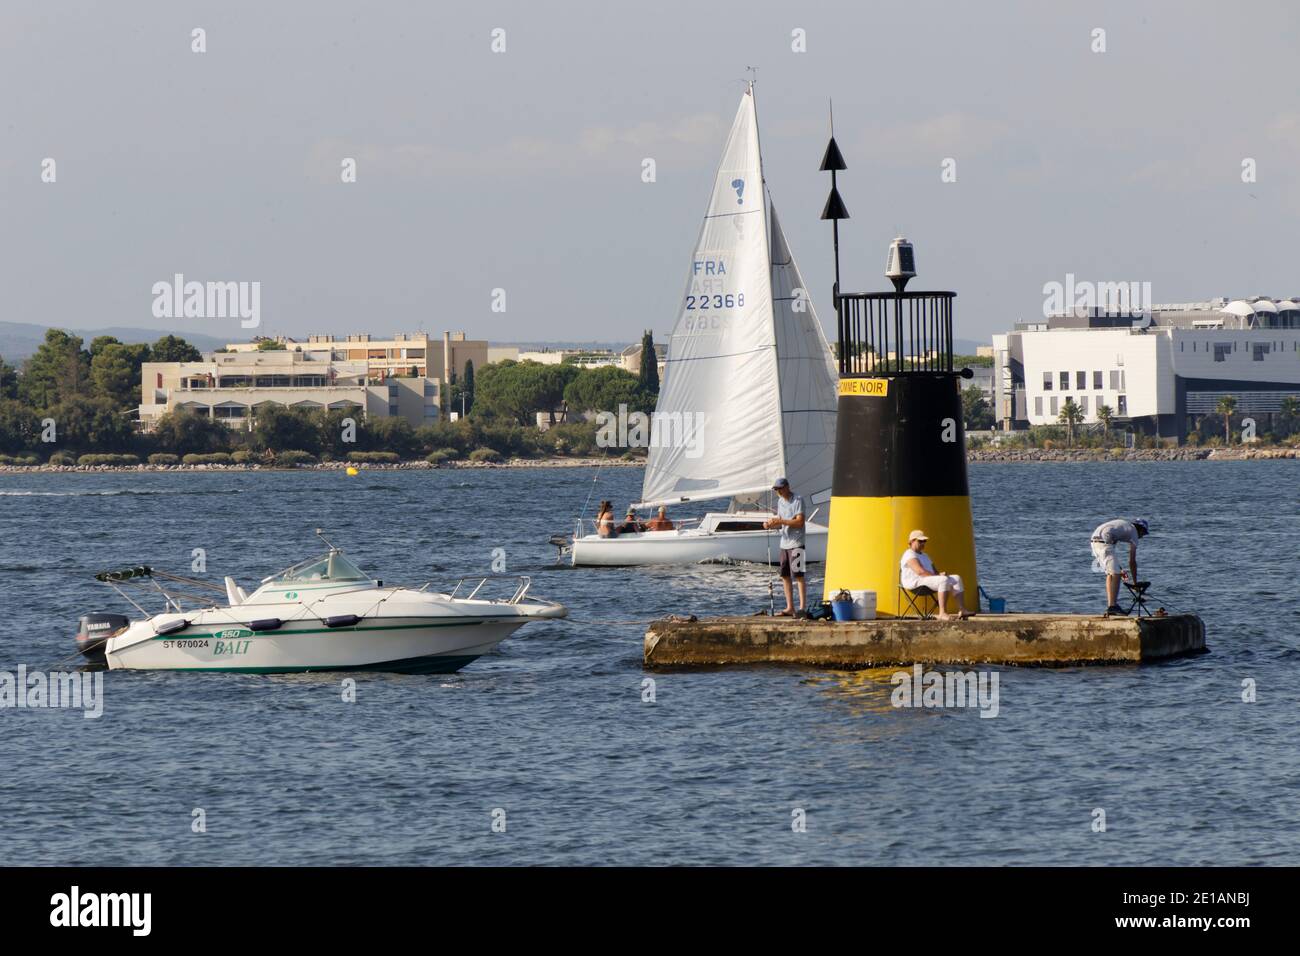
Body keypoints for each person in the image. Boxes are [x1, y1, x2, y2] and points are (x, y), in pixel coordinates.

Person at [899, 530, 970, 620]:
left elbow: (935, 571)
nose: (923, 543)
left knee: (956, 578)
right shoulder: (909, 554)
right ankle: (942, 613)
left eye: (924, 541)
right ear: (912, 541)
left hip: (927, 580)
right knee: (943, 580)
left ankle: (962, 610)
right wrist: (939, 577)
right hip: (915, 582)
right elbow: (920, 571)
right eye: (920, 541)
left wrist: (940, 574)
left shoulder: (925, 555)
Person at [764, 477, 806, 616]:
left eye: (780, 489)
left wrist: (781, 520)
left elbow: (799, 522)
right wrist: (770, 524)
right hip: (784, 543)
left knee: (798, 576)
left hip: (797, 543)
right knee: (785, 575)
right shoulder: (780, 501)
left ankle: (802, 608)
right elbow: (782, 522)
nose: (778, 492)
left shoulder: (798, 499)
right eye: (776, 489)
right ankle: (790, 607)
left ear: (787, 487)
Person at [1091, 517, 1149, 614]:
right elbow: (1132, 561)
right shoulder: (1134, 532)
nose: (1142, 537)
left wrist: (1120, 569)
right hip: (1104, 542)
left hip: (1095, 541)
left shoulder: (1123, 527)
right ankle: (1112, 606)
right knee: (1115, 574)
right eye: (1143, 534)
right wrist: (1135, 583)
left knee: (1112, 573)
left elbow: (1111, 553)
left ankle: (1112, 605)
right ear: (1141, 529)